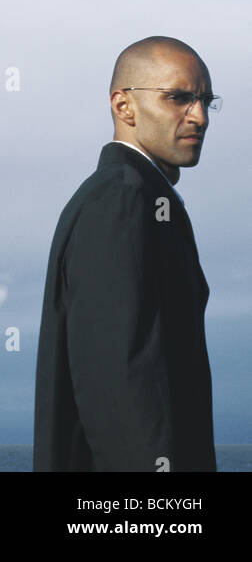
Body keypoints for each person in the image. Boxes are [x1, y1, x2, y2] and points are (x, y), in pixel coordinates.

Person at [33, 35, 217, 472]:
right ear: (123, 106)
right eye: (179, 98)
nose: (200, 117)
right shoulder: (122, 198)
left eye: (207, 101)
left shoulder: (135, 195)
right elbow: (121, 381)